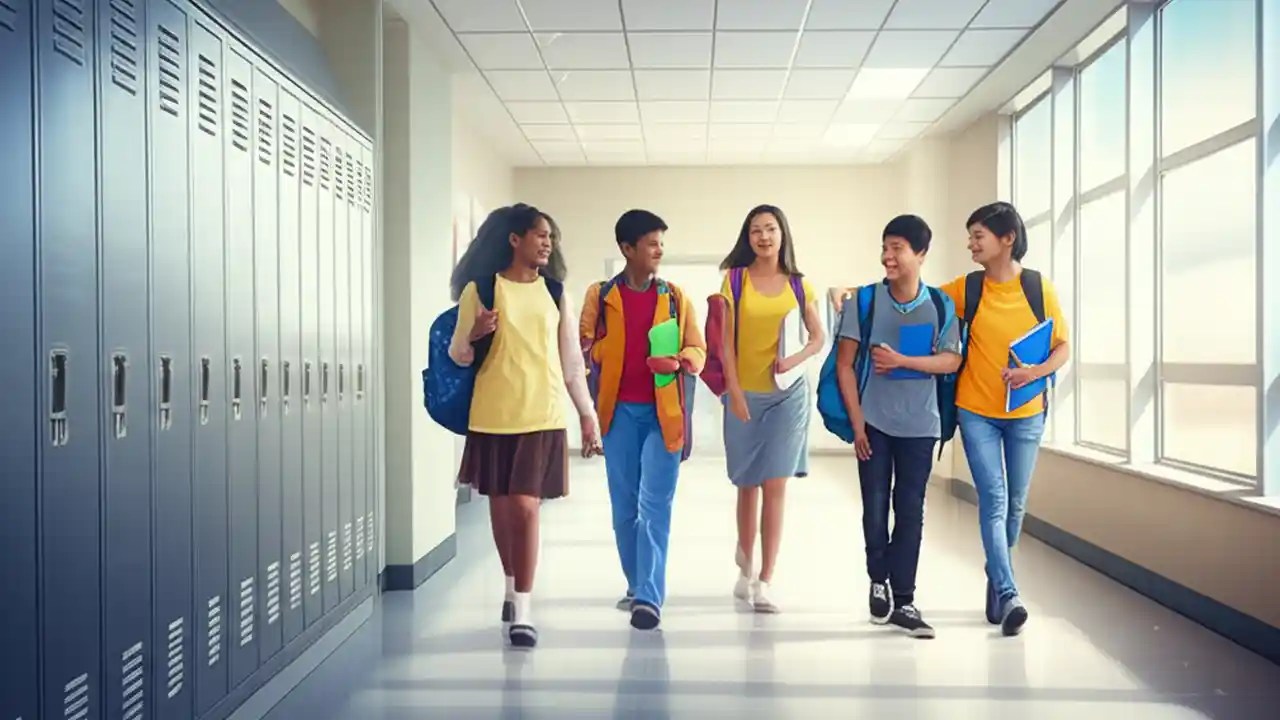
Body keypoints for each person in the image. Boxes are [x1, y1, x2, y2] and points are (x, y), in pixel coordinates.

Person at [448, 203, 603, 649]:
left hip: (543, 414)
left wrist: (587, 417)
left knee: (525, 507)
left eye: (550, 236)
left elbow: (573, 362)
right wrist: (474, 333)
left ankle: (525, 608)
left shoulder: (555, 294)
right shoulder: (481, 291)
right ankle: (510, 582)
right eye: (539, 235)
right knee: (500, 509)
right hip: (493, 415)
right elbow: (459, 355)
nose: (547, 243)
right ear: (514, 239)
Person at [939, 201, 1070, 637]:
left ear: (1007, 238)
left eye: (979, 235)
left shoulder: (1038, 288)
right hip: (976, 410)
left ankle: (997, 578)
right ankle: (1011, 593)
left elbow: (1063, 347)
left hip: (1027, 413)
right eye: (971, 236)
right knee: (994, 500)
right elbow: (920, 298)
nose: (971, 243)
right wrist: (860, 296)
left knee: (1015, 505)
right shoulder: (968, 288)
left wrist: (1034, 372)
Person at [834, 215, 961, 639]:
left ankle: (905, 599)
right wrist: (857, 425)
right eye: (885, 247)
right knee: (874, 506)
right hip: (873, 424)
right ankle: (878, 579)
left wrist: (904, 362)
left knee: (910, 511)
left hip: (921, 426)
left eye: (898, 248)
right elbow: (844, 365)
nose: (888, 256)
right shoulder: (864, 301)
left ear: (921, 254)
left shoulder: (941, 305)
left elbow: (951, 360)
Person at [579, 209, 706, 631]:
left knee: (655, 505)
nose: (659, 250)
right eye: (651, 243)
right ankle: (636, 586)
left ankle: (650, 597)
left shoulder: (674, 297)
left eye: (660, 243)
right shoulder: (601, 296)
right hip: (617, 415)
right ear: (627, 249)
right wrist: (602, 352)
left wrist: (679, 360)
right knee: (624, 508)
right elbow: (581, 348)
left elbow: (698, 350)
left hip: (662, 414)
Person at [718, 204, 825, 613]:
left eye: (770, 229)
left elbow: (817, 338)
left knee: (775, 483)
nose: (763, 237)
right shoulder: (735, 281)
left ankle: (765, 579)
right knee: (747, 483)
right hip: (745, 393)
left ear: (783, 235)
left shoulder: (799, 285)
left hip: (788, 395)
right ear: (748, 238)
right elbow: (726, 344)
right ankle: (744, 566)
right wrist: (735, 392)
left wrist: (793, 362)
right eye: (756, 230)